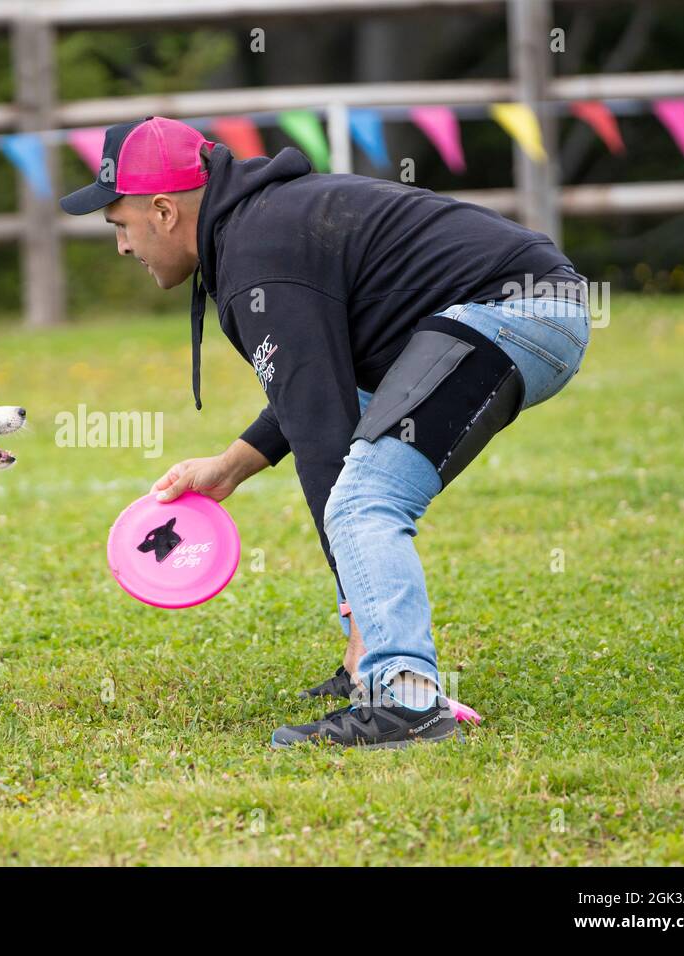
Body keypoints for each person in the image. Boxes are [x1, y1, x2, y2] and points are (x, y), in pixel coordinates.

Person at [60, 117, 590, 749]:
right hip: (509, 312)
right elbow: (316, 382)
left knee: (363, 500)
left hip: (511, 311)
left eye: (120, 226)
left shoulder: (257, 256)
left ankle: (404, 697)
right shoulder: (254, 229)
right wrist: (232, 465)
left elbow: (321, 428)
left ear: (165, 210)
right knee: (357, 488)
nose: (122, 246)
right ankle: (376, 669)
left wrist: (356, 617)